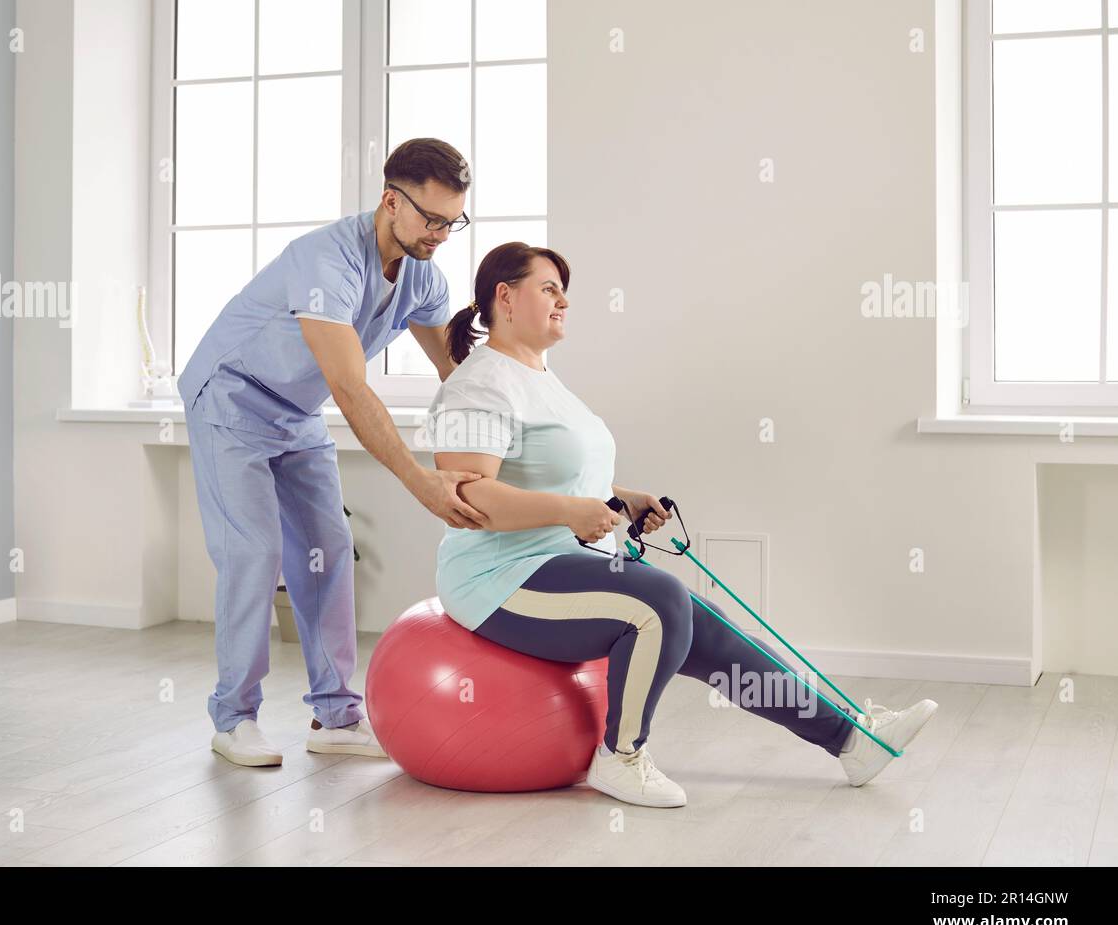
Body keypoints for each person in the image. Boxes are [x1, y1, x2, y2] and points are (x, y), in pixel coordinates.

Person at [426, 241, 939, 808]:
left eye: (564, 290)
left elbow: (558, 478)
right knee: (661, 601)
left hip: (563, 559)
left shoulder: (542, 377)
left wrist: (621, 498)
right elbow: (469, 496)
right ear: (504, 296)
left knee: (712, 627)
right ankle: (621, 759)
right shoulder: (478, 384)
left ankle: (850, 741)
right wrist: (572, 512)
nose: (564, 301)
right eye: (549, 288)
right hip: (499, 577)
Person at [177, 138, 489, 768]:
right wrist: (420, 482)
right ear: (389, 201)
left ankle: (336, 716)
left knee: (326, 552)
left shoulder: (424, 274)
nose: (442, 233)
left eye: (453, 220)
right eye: (431, 219)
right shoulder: (326, 262)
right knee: (255, 550)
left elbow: (452, 370)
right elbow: (350, 387)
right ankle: (234, 719)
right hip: (231, 399)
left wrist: (503, 436)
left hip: (295, 410)